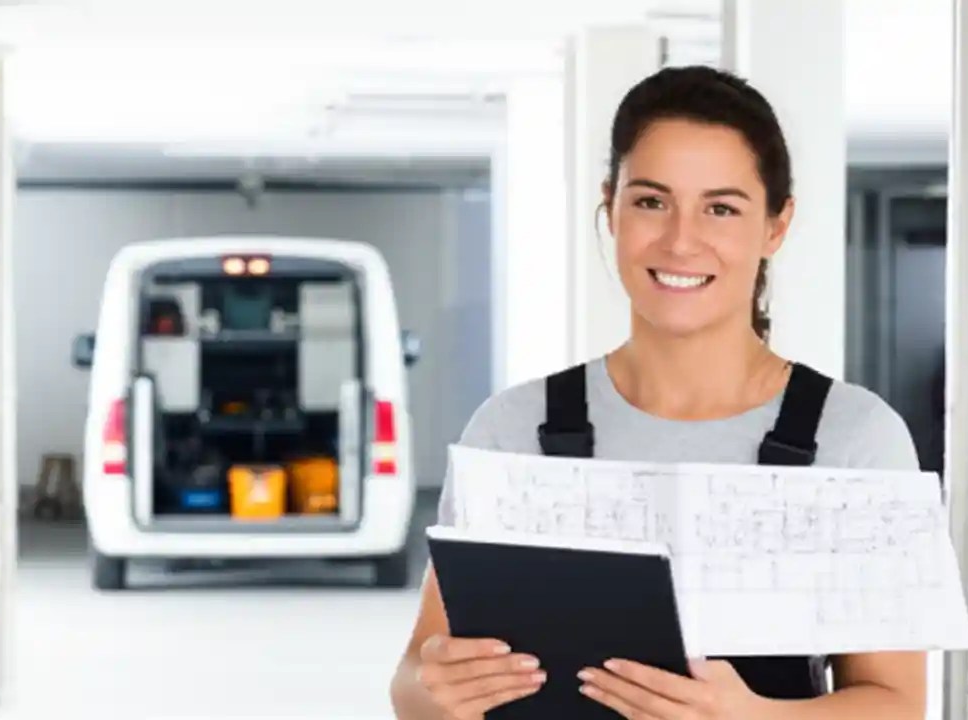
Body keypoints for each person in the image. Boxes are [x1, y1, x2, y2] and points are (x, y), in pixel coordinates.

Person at [389, 66, 925, 720]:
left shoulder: (856, 439)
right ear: (610, 208)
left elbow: (896, 705)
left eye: (721, 208)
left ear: (776, 226)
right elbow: (415, 680)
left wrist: (753, 717)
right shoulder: (513, 431)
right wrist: (437, 693)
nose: (680, 240)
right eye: (651, 201)